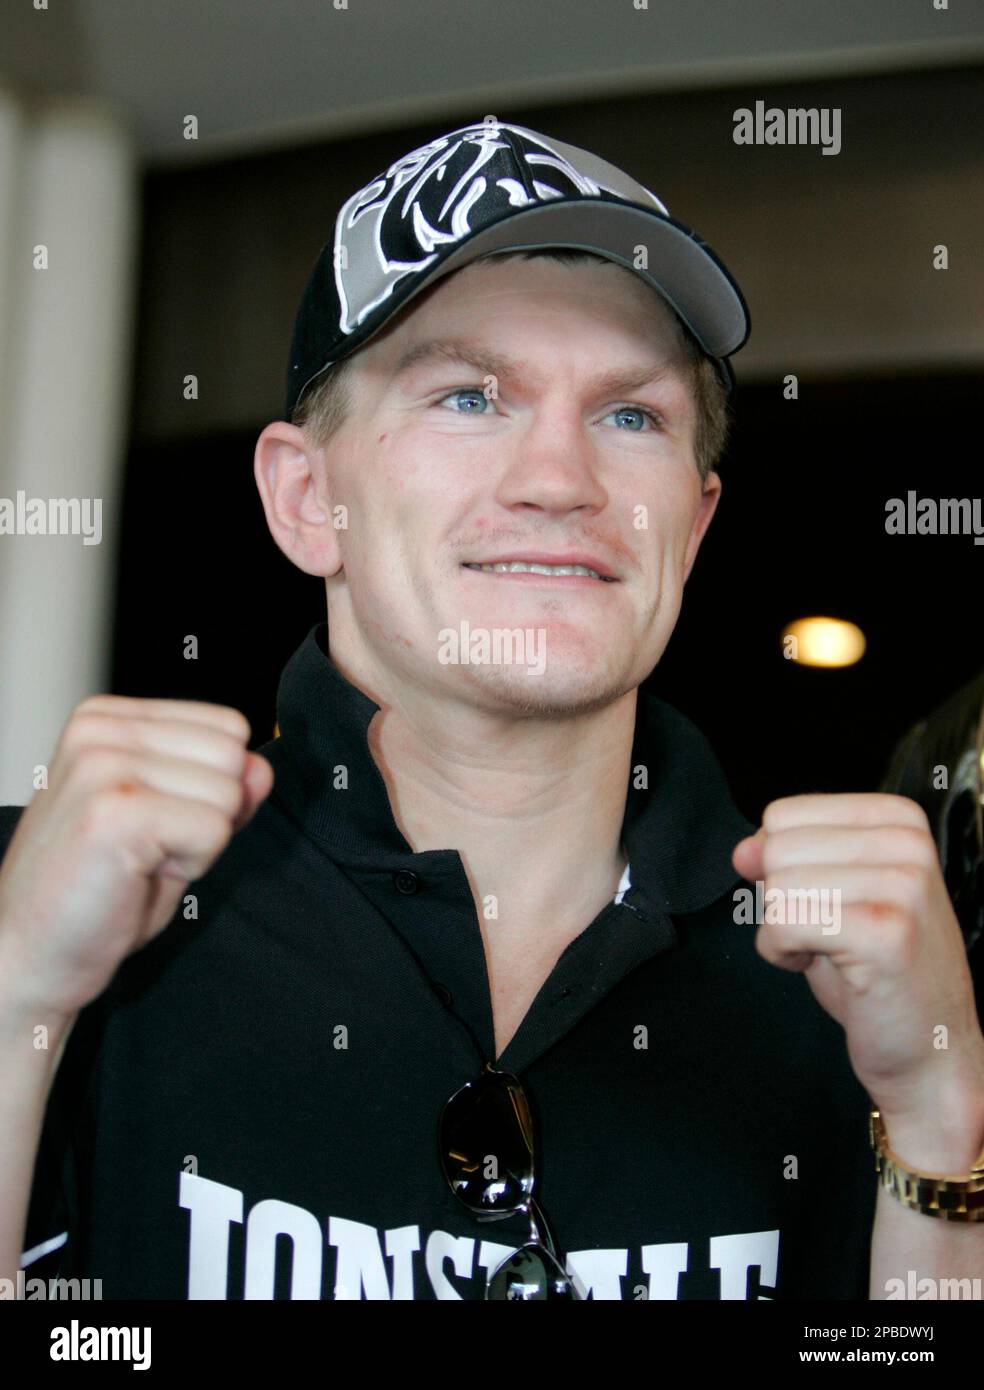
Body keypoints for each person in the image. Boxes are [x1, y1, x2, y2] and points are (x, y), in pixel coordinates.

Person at [1, 120, 981, 1302]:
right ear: (308, 499)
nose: (560, 479)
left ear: (696, 521)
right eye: (470, 396)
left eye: (633, 416)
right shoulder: (62, 908)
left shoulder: (857, 979)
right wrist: (14, 999)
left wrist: (936, 1116)